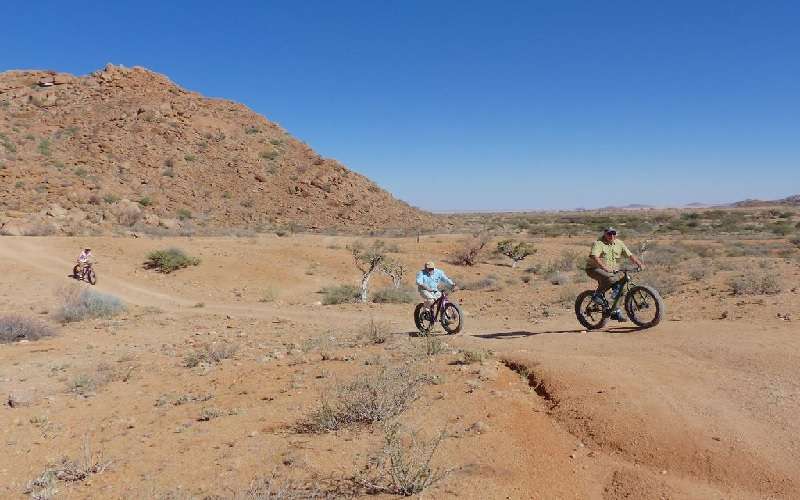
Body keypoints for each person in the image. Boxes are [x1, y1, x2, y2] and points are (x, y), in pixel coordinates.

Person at [584, 227, 644, 321]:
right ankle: (597, 295)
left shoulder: (619, 243)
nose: (611, 236)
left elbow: (629, 255)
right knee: (611, 279)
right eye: (609, 234)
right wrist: (604, 267)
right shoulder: (598, 243)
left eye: (613, 233)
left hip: (611, 270)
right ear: (604, 234)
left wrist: (639, 263)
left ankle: (616, 312)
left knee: (620, 289)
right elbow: (594, 256)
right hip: (594, 269)